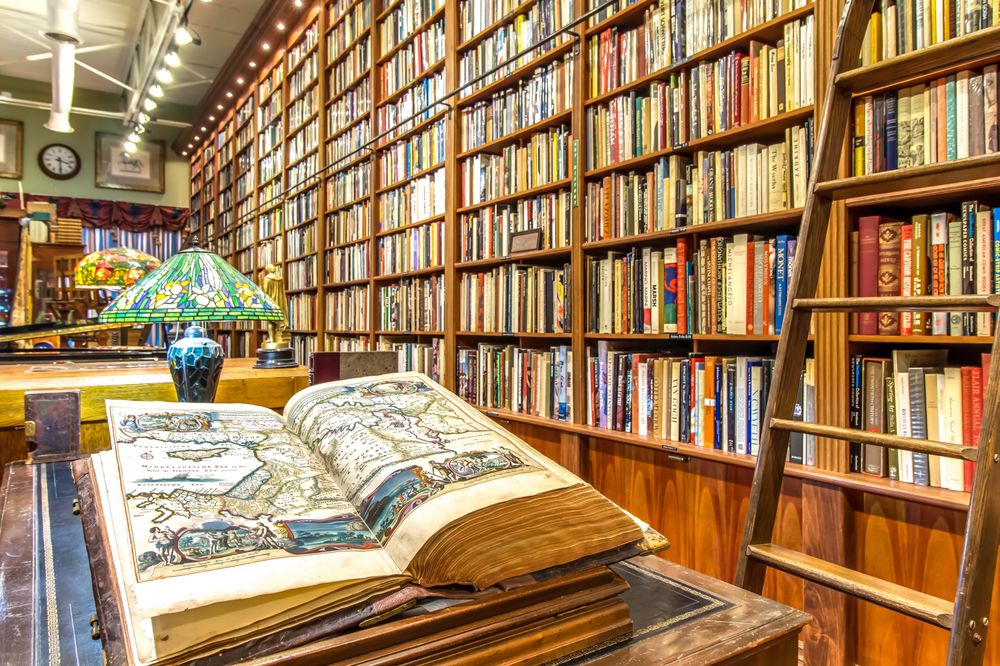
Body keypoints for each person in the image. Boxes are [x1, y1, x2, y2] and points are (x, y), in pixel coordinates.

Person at [260, 263, 290, 348]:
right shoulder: (280, 279)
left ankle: (272, 339)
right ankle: (276, 337)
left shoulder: (267, 279)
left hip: (271, 301)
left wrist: (260, 290)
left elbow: (265, 292)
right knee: (277, 319)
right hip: (279, 301)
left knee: (270, 320)